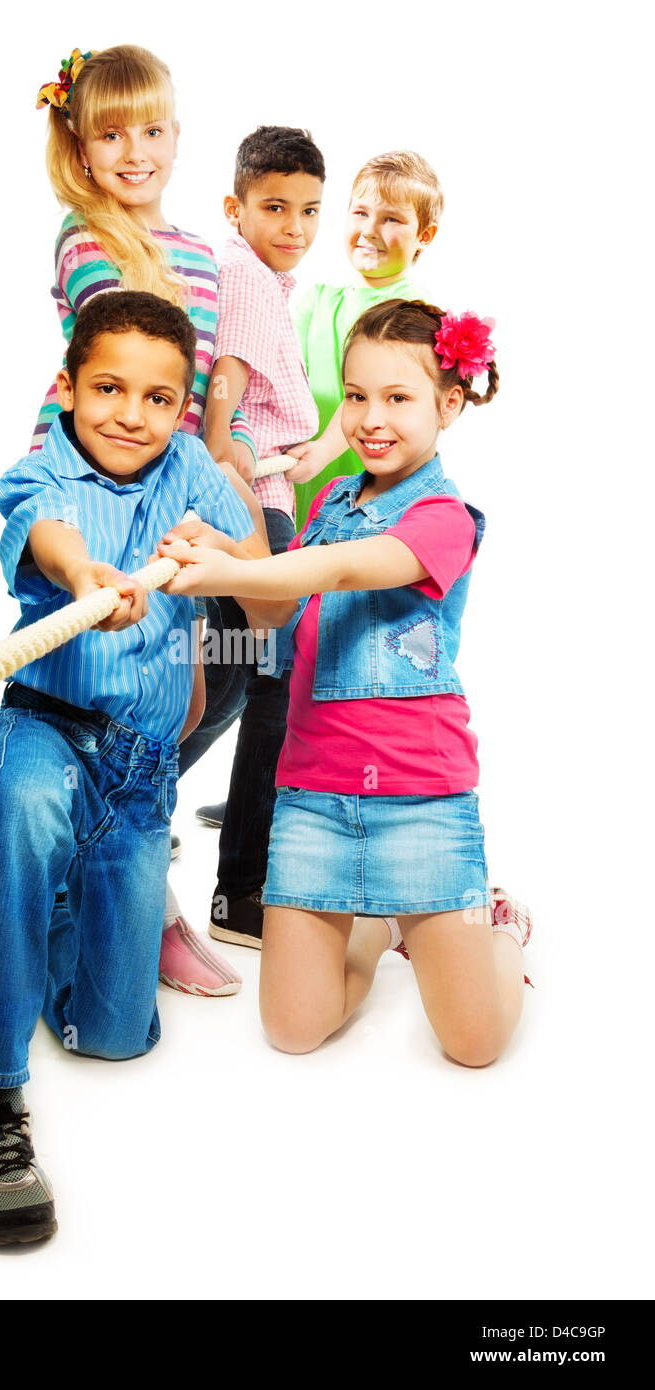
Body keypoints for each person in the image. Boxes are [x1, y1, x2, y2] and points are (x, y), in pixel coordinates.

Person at [0, 291, 259, 1245]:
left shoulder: (191, 464)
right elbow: (54, 537)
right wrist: (88, 582)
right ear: (68, 389)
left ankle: (58, 909)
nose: (132, 414)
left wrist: (225, 555)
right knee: (24, 815)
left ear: (182, 405)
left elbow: (260, 572)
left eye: (160, 398)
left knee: (115, 1035)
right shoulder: (39, 475)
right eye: (109, 388)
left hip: (143, 771)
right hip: (48, 724)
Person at [160, 298, 532, 1065]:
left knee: (474, 1045)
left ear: (449, 403)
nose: (371, 418)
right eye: (357, 396)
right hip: (312, 803)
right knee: (293, 1029)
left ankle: (493, 927)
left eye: (399, 398)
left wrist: (238, 562)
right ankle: (382, 923)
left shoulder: (443, 516)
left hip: (420, 802)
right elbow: (275, 607)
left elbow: (345, 567)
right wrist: (221, 549)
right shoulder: (329, 502)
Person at [34, 42, 267, 994]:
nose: (136, 151)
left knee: (233, 672)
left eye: (154, 130)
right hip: (108, 477)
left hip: (184, 470)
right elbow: (133, 364)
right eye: (112, 134)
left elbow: (206, 381)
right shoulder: (86, 235)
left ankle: (127, 847)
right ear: (83, 150)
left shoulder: (199, 257)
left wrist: (234, 453)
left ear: (178, 134)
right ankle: (126, 882)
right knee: (145, 687)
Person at [180, 125, 324, 950]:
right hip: (252, 500)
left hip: (270, 492)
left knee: (240, 683)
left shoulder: (269, 278)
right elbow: (225, 387)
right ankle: (241, 890)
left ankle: (152, 821)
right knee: (250, 685)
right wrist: (230, 479)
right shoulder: (243, 272)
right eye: (274, 207)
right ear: (237, 207)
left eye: (308, 209)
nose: (293, 225)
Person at [286, 151, 443, 526]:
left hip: (370, 488)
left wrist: (325, 448)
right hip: (301, 475)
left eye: (391, 218)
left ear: (424, 235)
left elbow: (373, 393)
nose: (371, 229)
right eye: (360, 213)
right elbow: (283, 374)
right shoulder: (318, 299)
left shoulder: (413, 308)